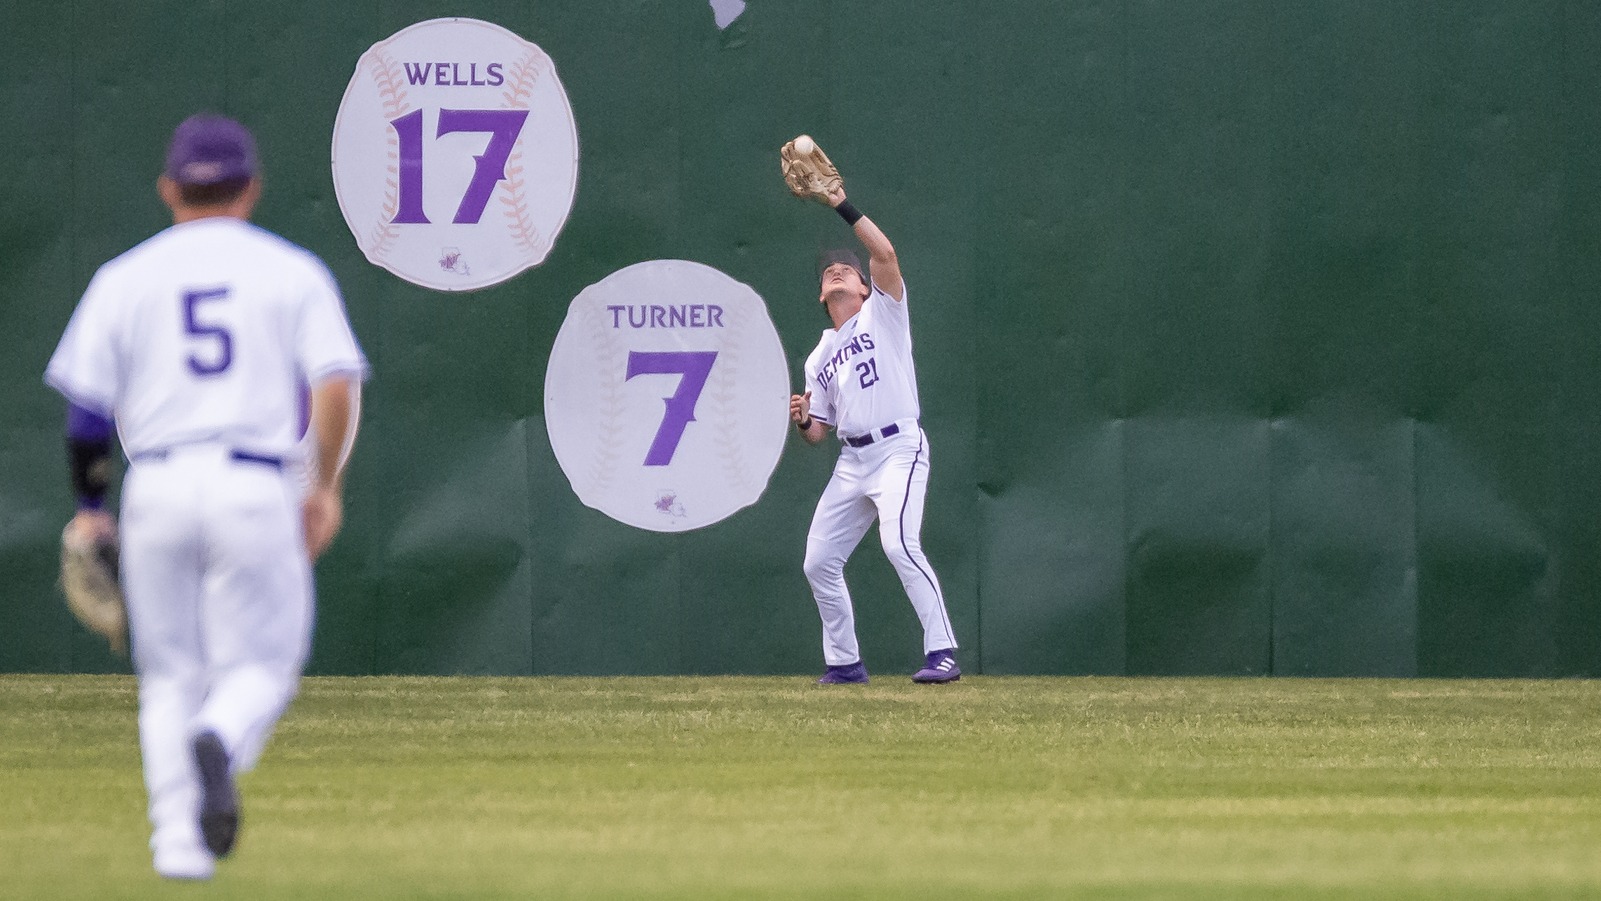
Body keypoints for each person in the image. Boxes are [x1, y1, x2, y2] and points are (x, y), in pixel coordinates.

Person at [44, 114, 368, 880]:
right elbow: (333, 383)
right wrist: (321, 484)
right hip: (254, 482)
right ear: (250, 188)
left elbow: (87, 417)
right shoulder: (290, 271)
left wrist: (93, 505)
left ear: (168, 190)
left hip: (154, 481)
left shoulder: (124, 277)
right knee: (265, 664)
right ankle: (221, 735)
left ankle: (178, 847)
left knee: (168, 676)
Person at [789, 184, 960, 684]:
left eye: (847, 269)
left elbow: (884, 253)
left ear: (866, 287)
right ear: (822, 295)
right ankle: (845, 664)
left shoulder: (882, 314)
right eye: (828, 272)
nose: (837, 270)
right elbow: (820, 433)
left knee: (899, 544)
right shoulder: (818, 356)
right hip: (852, 460)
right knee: (818, 560)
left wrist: (839, 203)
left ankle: (942, 651)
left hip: (898, 448)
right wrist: (804, 420)